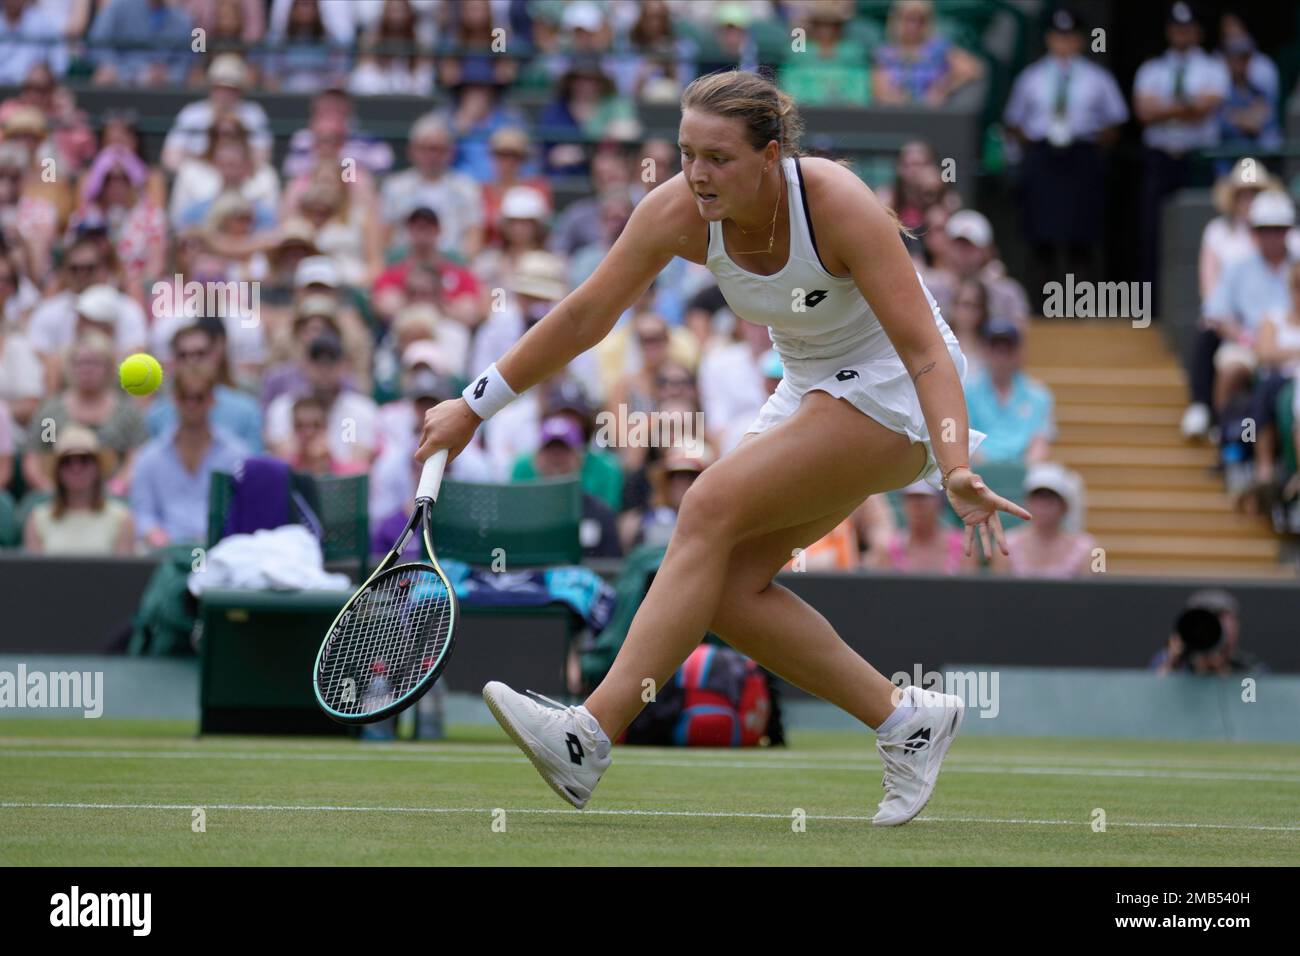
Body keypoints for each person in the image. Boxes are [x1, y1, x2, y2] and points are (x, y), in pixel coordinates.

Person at [416, 71, 1029, 825]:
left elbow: (927, 352)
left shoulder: (834, 200)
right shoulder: (678, 211)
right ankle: (906, 719)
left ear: (770, 156)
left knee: (705, 501)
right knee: (729, 591)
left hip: (894, 388)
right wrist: (474, 406)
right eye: (685, 154)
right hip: (809, 384)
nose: (697, 174)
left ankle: (589, 734)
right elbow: (584, 316)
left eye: (717, 157)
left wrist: (957, 462)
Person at [1002, 7, 1128, 292]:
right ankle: (1041, 305)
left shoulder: (1098, 78)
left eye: (1070, 36)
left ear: (1080, 40)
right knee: (1040, 236)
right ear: (1049, 39)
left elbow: (1115, 122)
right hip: (1043, 157)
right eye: (1058, 36)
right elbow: (1013, 122)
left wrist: (1095, 149)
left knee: (1081, 235)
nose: (1064, 43)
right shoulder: (1030, 77)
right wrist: (1030, 146)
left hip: (1081, 158)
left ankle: (1078, 304)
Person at [129, 365, 248, 548]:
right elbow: (143, 514)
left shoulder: (237, 455)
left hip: (220, 553)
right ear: (174, 400)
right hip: (165, 554)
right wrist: (163, 543)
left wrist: (215, 541)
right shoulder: (150, 457)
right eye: (185, 397)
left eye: (198, 397)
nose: (191, 405)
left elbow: (243, 509)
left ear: (211, 400)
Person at [23, 424, 134, 556]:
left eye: (85, 460)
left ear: (97, 467)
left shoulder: (121, 519)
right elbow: (35, 574)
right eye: (67, 461)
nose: (76, 468)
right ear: (57, 470)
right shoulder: (38, 519)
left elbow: (124, 574)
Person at [992, 462, 1095, 579]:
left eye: (1051, 498)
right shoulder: (1005, 546)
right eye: (1037, 498)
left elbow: (1096, 591)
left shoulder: (1089, 548)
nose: (1044, 506)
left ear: (1064, 505)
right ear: (1027, 502)